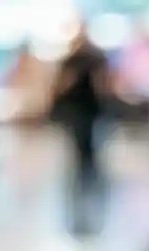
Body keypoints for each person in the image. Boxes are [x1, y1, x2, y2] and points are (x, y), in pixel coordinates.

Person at [53, 32, 110, 237]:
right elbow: (60, 88)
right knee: (82, 160)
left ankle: (92, 198)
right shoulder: (73, 61)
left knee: (90, 160)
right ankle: (83, 202)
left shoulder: (94, 59)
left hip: (91, 115)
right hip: (78, 117)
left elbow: (104, 86)